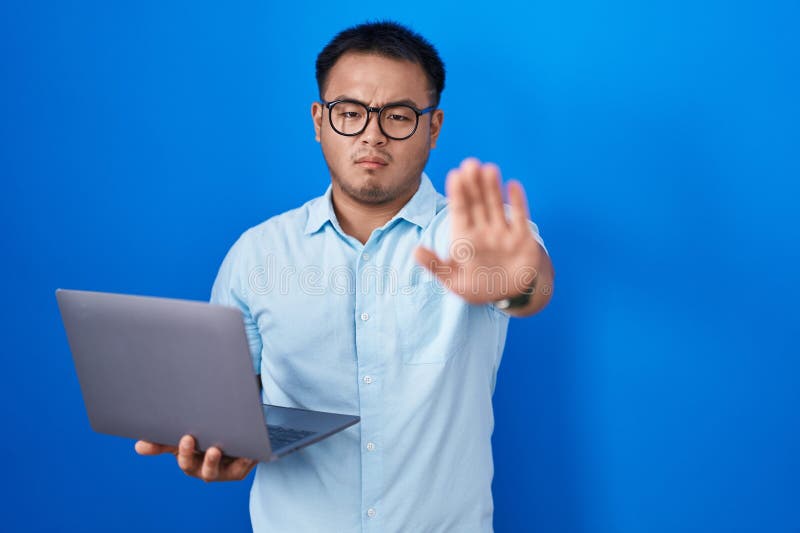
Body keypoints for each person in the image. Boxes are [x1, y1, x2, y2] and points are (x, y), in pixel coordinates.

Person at [135, 20, 555, 532]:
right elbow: (227, 407)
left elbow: (527, 284)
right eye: (350, 113)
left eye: (399, 116)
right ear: (319, 119)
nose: (372, 135)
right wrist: (220, 445)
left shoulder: (477, 234)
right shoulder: (257, 254)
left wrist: (514, 282)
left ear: (433, 126)